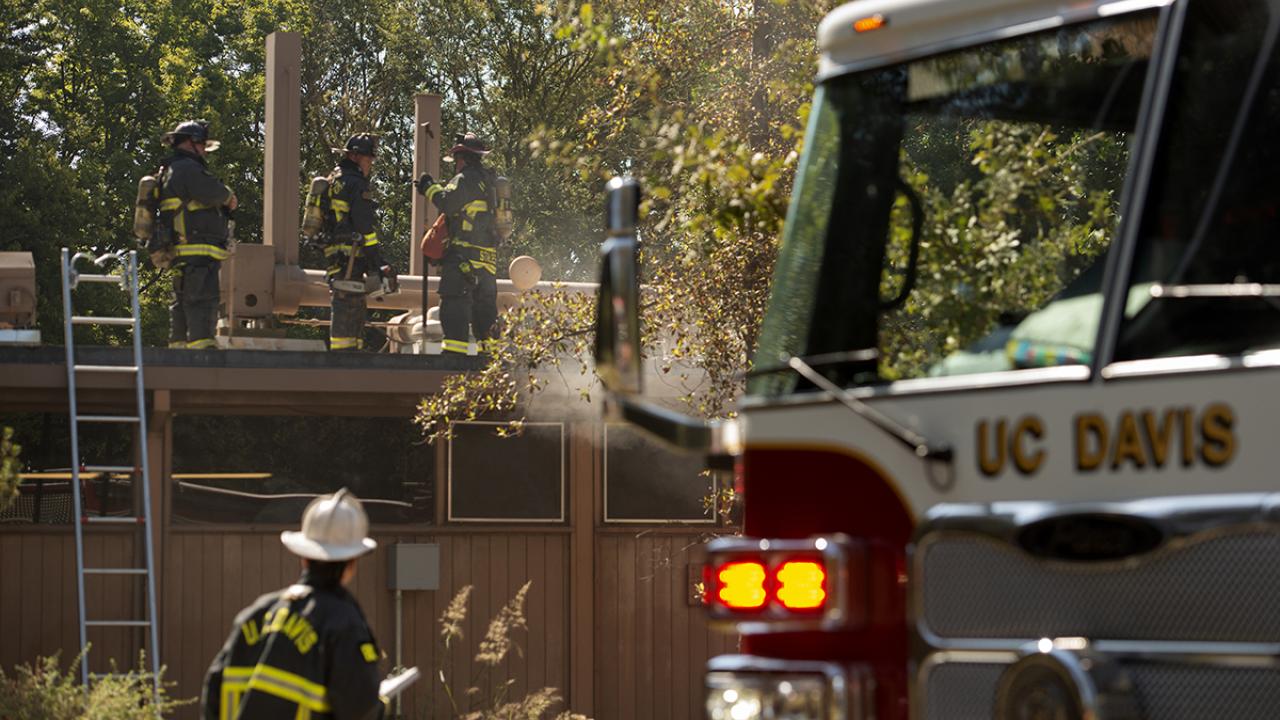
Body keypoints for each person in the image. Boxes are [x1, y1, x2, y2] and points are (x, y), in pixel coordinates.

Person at [202, 488, 386, 720]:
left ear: (304, 556)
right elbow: (361, 708)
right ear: (352, 562)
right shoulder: (344, 623)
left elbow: (214, 689)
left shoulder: (257, 613)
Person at [416, 133, 500, 355]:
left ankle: (453, 361)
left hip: (463, 259)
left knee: (454, 308)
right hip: (488, 264)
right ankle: (491, 365)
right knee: (486, 315)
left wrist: (428, 187)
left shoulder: (465, 179)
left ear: (461, 158)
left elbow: (447, 202)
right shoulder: (491, 183)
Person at [159, 120, 237, 350]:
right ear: (191, 143)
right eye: (202, 144)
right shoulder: (188, 169)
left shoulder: (171, 169)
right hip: (197, 251)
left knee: (182, 301)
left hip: (183, 250)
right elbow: (216, 193)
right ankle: (201, 354)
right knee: (202, 301)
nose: (204, 150)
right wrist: (229, 197)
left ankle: (180, 350)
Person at [324, 133, 396, 351]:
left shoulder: (333, 180)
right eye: (368, 159)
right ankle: (347, 357)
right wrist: (378, 262)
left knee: (346, 300)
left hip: (336, 256)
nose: (370, 165)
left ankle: (347, 352)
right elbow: (365, 228)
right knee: (350, 303)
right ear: (355, 156)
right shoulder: (356, 184)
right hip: (352, 256)